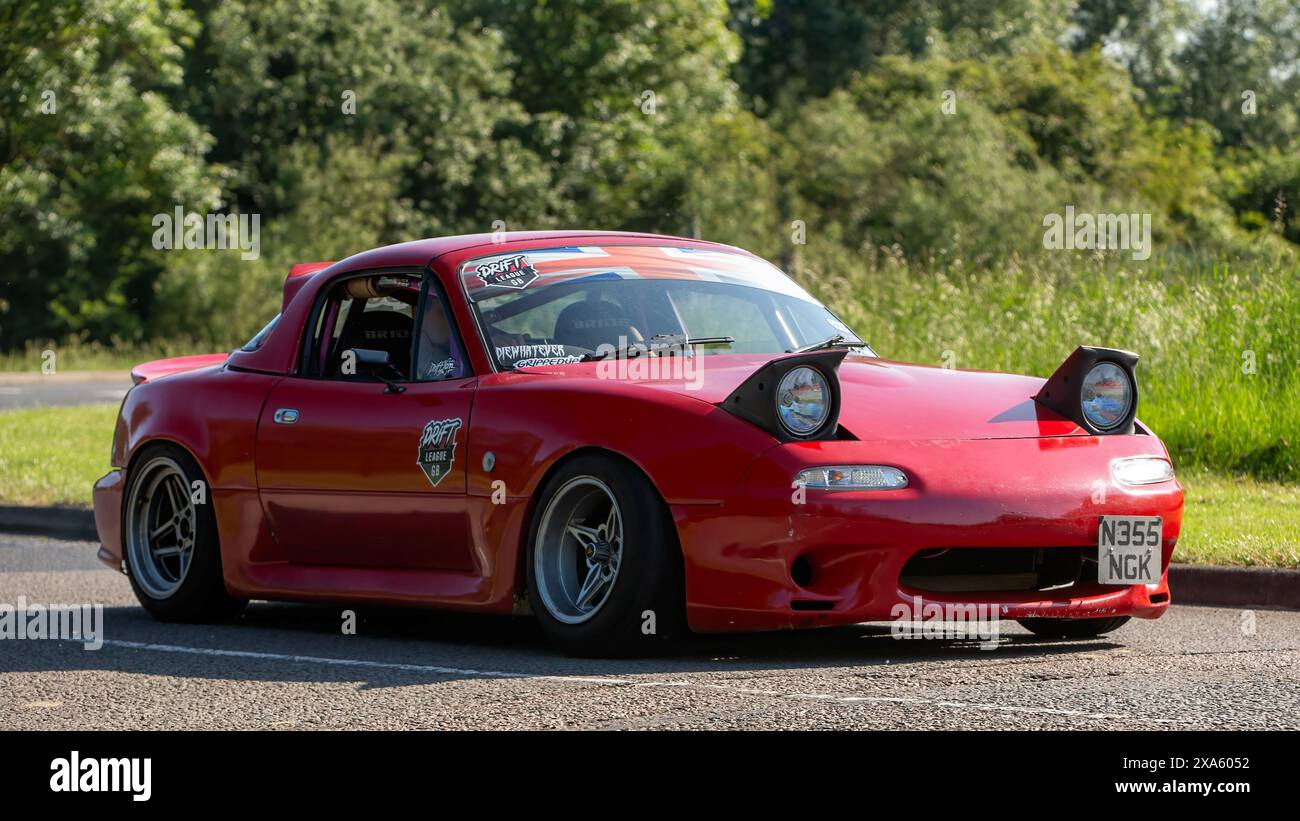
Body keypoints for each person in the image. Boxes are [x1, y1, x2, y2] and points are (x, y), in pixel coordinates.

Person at [416, 301, 459, 380]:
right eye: (442, 313)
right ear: (421, 315)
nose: (449, 321)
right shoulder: (420, 354)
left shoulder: (459, 346)